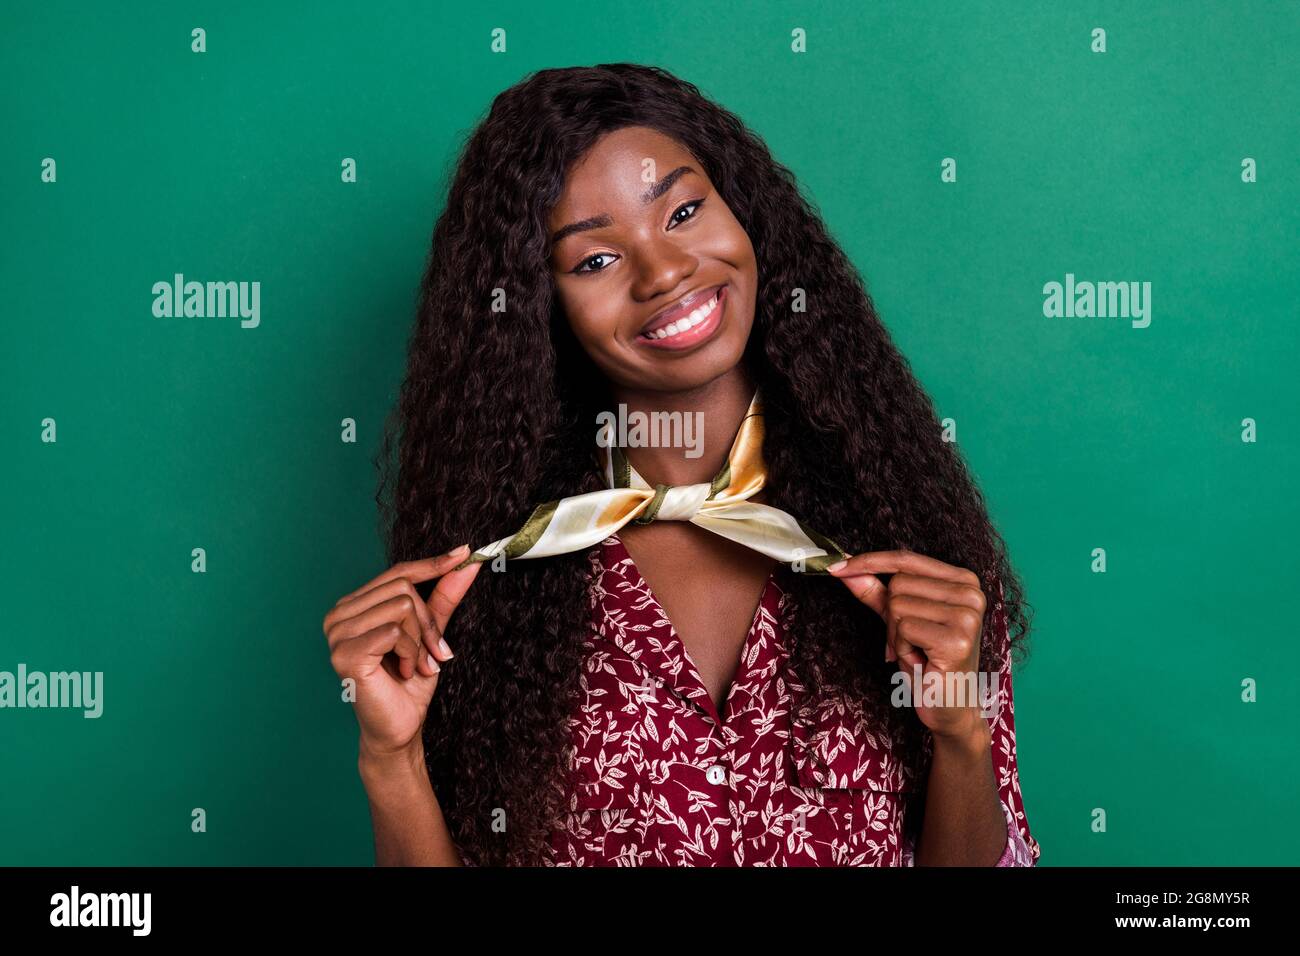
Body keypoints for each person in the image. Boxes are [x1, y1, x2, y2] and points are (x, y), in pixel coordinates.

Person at [322, 63, 1040, 867]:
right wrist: (392, 761)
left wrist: (962, 733)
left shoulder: (915, 546)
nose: (663, 273)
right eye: (594, 261)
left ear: (747, 214)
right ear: (539, 307)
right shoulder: (478, 597)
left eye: (685, 211)